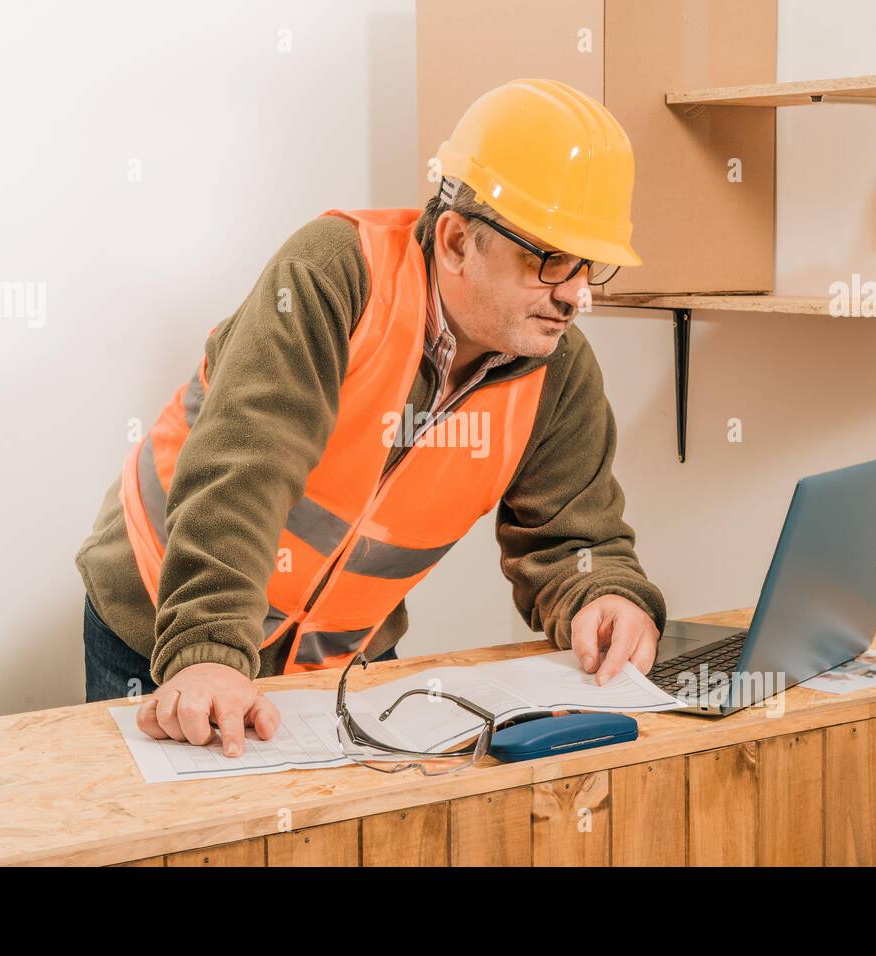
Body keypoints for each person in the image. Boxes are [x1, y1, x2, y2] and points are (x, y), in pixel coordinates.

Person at [74, 77, 667, 756]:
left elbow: (570, 537)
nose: (575, 296)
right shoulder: (335, 275)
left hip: (336, 657)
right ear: (455, 241)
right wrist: (206, 652)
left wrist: (603, 595)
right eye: (551, 261)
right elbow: (244, 469)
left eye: (588, 268)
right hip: (168, 615)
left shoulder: (557, 370)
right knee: (173, 823)